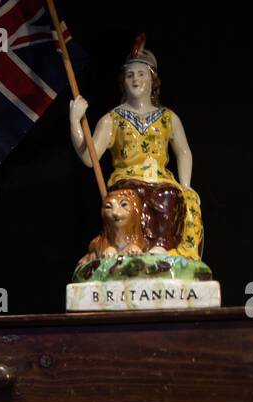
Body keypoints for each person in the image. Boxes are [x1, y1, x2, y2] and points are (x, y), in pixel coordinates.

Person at [68, 35, 204, 260]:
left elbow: (184, 152)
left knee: (171, 195)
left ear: (152, 80)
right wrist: (75, 122)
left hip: (161, 179)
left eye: (141, 74)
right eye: (130, 75)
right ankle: (131, 247)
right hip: (128, 181)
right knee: (133, 197)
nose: (136, 80)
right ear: (123, 81)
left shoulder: (168, 117)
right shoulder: (112, 119)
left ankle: (161, 247)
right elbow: (89, 158)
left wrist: (186, 184)